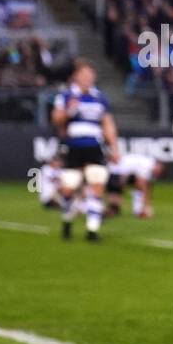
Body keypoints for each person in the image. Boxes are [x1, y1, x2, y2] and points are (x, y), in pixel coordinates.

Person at [52, 58, 119, 242]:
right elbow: (56, 119)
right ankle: (67, 219)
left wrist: (114, 148)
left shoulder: (100, 98)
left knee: (96, 187)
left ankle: (92, 230)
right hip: (74, 147)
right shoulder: (66, 96)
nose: (87, 78)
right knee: (68, 189)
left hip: (95, 147)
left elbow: (108, 124)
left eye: (90, 75)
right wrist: (68, 112)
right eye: (84, 75)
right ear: (76, 77)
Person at [105, 152, 163, 219]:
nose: (158, 173)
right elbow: (142, 184)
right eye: (159, 171)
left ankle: (138, 210)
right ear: (158, 165)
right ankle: (139, 210)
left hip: (120, 172)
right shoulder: (147, 164)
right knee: (116, 193)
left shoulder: (149, 164)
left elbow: (144, 185)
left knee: (139, 188)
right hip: (115, 171)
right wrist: (146, 205)